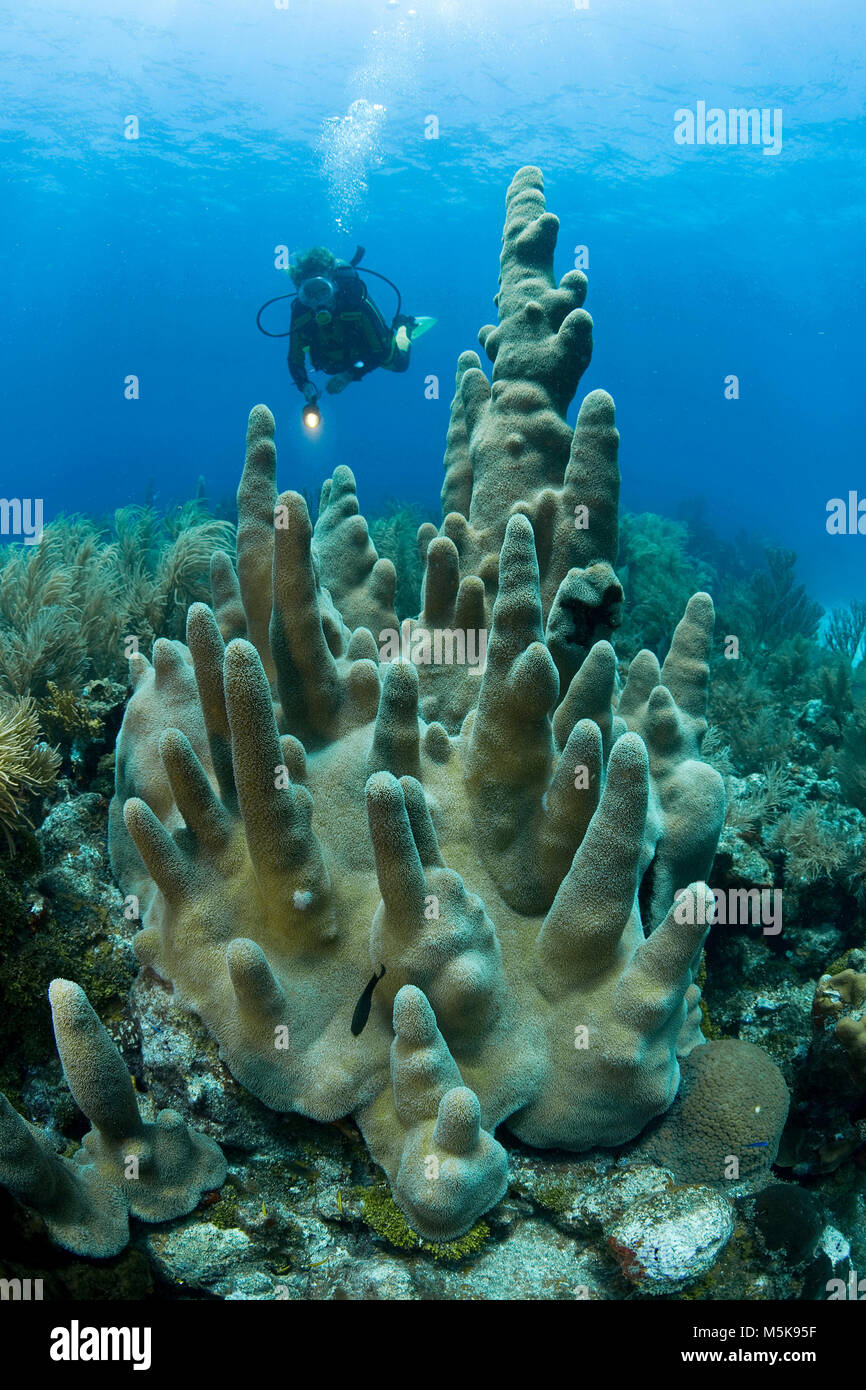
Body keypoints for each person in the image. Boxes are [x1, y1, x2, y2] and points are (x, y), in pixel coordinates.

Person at [286, 247, 433, 406]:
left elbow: (381, 350)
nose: (319, 301)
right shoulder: (301, 314)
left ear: (333, 286)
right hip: (332, 357)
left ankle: (405, 326)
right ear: (301, 295)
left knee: (399, 363)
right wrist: (304, 385)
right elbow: (294, 358)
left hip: (367, 350)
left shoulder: (355, 303)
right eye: (310, 295)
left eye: (323, 291)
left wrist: (348, 376)